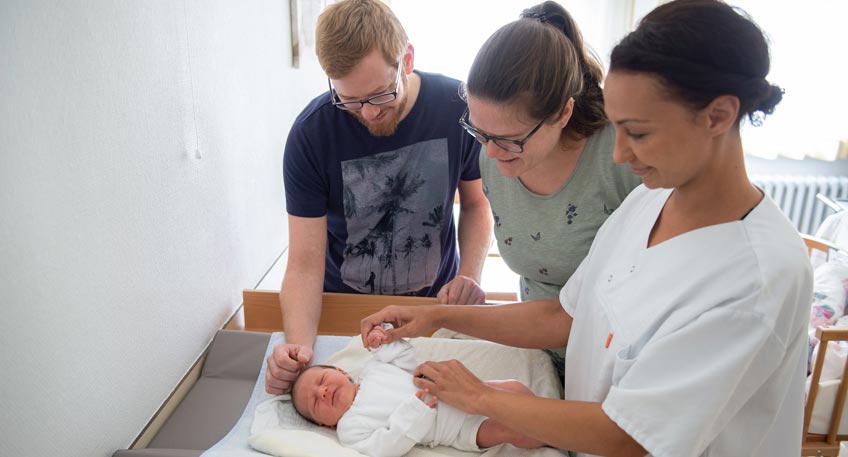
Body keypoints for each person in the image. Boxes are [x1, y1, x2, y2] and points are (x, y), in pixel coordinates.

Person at [360, 1, 814, 455]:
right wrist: (437, 318)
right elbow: (564, 316)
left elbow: (631, 434)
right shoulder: (649, 201)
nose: (618, 155)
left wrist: (483, 398)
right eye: (617, 130)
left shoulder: (755, 278)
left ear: (718, 116)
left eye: (637, 133)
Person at [265, 0, 493, 395]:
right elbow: (303, 264)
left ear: (406, 59)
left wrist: (468, 276)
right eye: (349, 100)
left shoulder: (458, 106)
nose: (367, 113)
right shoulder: (310, 135)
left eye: (379, 95)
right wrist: (299, 347)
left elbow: (476, 204)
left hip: (433, 309)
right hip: (347, 314)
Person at [460, 1, 641, 374]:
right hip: (540, 357)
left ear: (563, 113)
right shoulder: (494, 156)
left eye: (509, 139)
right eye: (480, 132)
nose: (491, 152)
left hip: (616, 363)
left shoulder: (623, 157)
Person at [291, 326, 544, 457]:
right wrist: (415, 412)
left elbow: (406, 358)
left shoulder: (373, 369)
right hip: (455, 428)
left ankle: (553, 416)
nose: (322, 392)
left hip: (464, 390)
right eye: (315, 402)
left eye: (322, 380)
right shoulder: (350, 428)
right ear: (327, 426)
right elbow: (387, 445)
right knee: (509, 429)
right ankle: (553, 437)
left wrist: (385, 341)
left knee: (514, 388)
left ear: (343, 373)